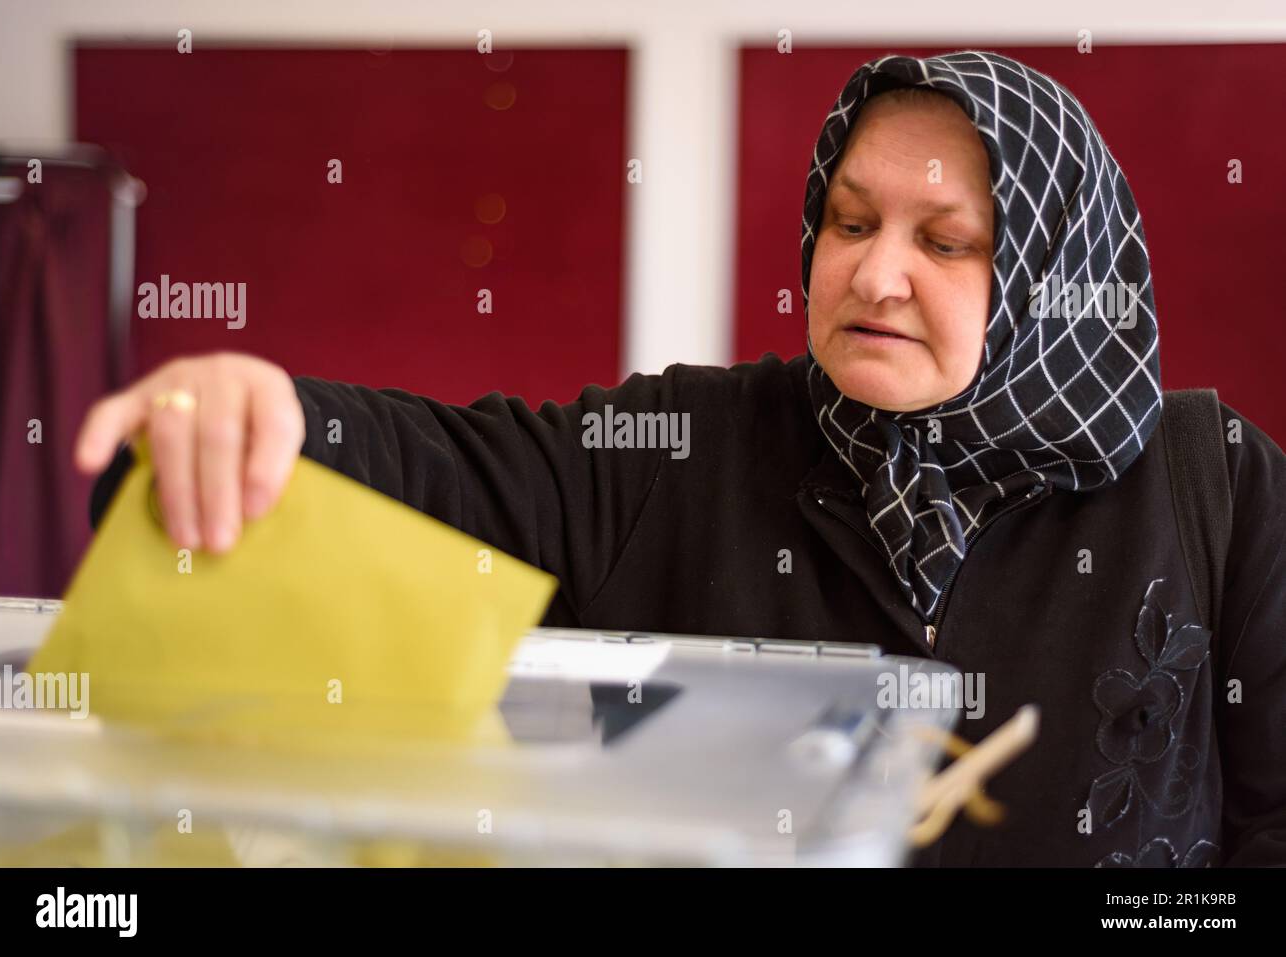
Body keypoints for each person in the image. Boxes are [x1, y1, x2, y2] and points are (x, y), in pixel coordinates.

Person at [75, 51, 1285, 867]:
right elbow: (443, 470)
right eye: (850, 222)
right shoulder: (683, 447)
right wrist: (265, 414)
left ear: (1047, 274)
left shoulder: (1216, 484)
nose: (873, 275)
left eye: (947, 242)